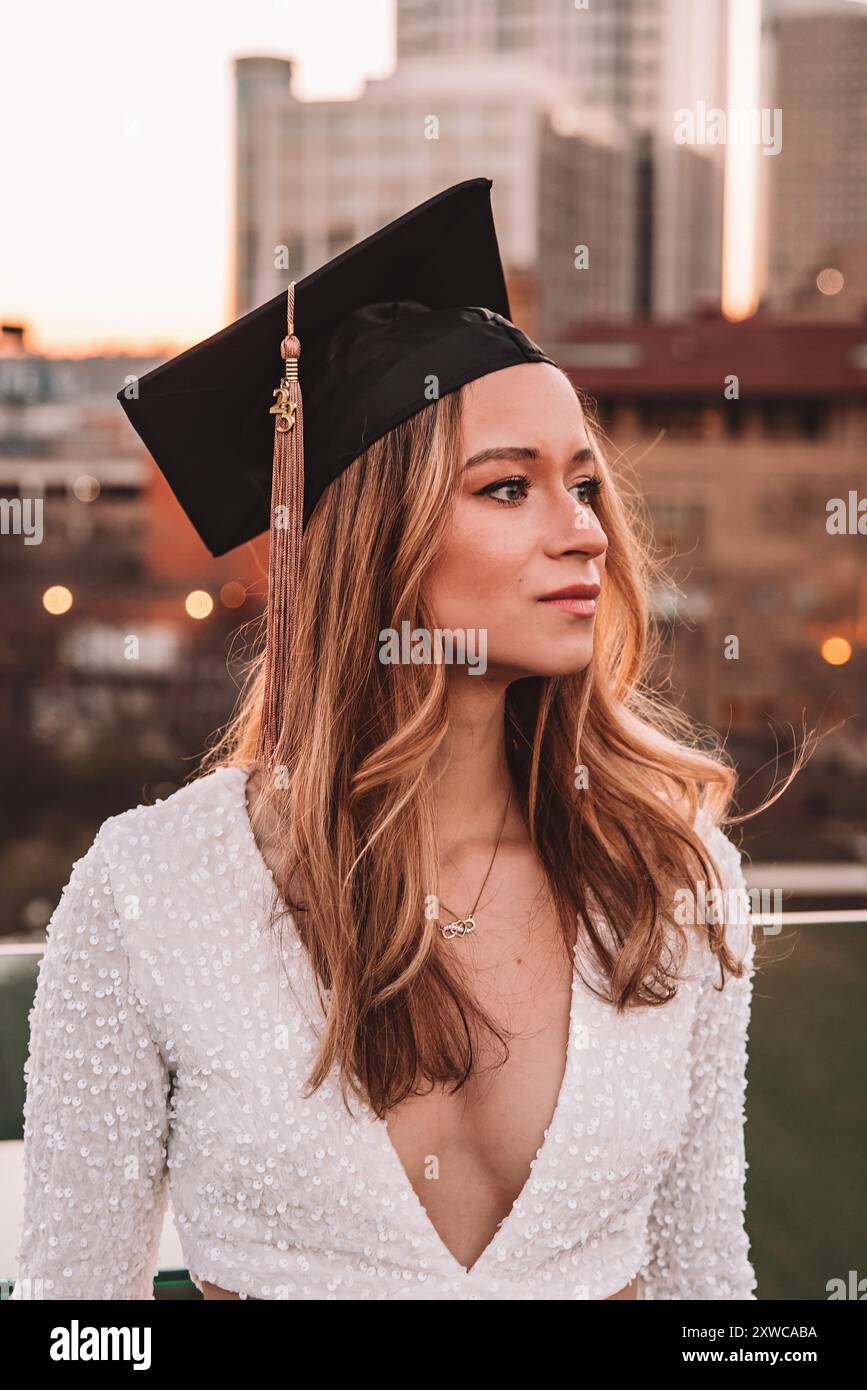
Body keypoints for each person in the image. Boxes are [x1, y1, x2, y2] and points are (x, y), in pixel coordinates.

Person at [10, 180, 806, 1302]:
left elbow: (706, 1291)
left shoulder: (672, 877)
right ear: (380, 540)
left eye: (583, 483)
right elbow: (72, 1316)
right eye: (509, 487)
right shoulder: (152, 888)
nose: (584, 530)